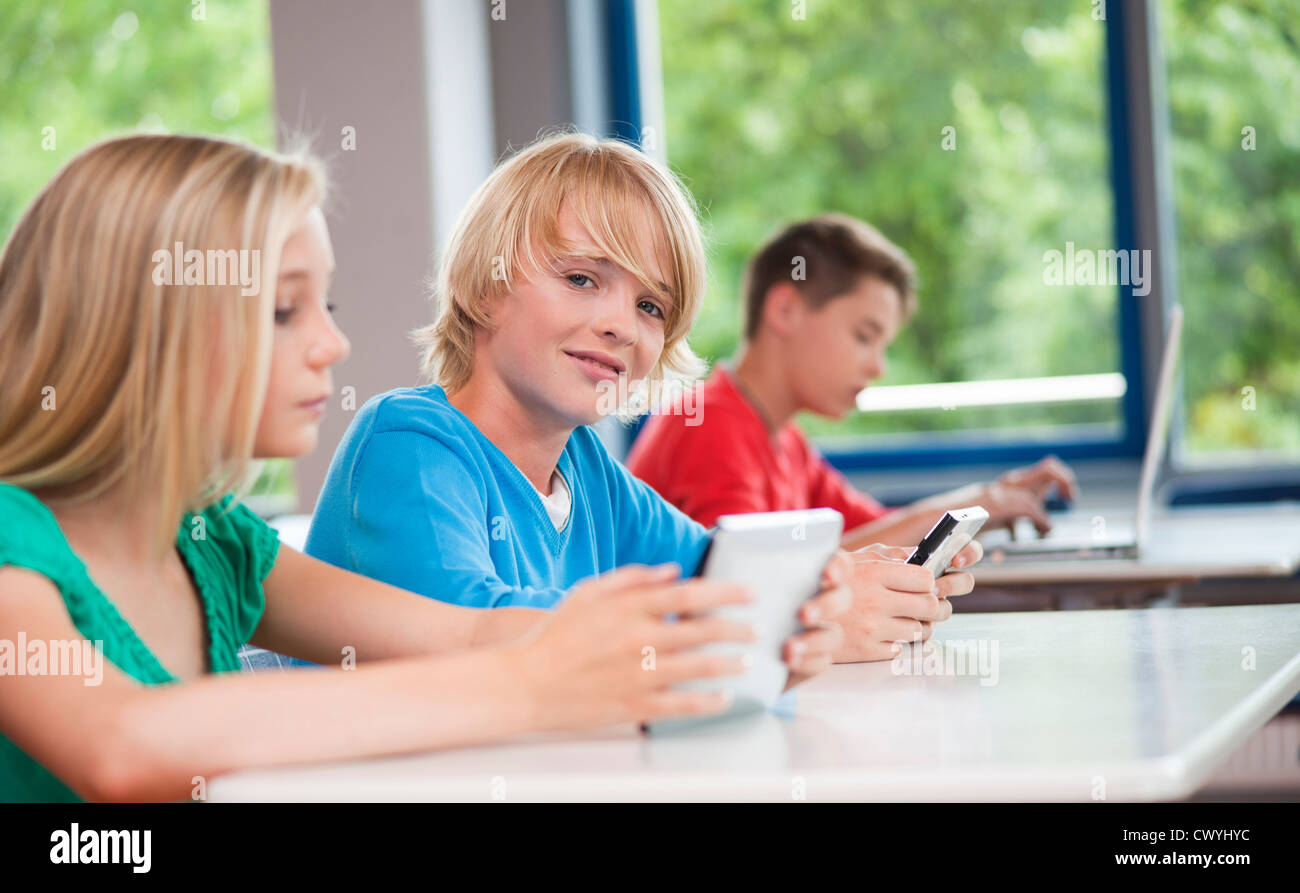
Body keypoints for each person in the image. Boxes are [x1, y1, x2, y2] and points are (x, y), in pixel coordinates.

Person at [0, 134, 780, 803]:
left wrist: (746, 634)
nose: (332, 347)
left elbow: (469, 633)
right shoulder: (13, 542)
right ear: (140, 327)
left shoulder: (214, 538)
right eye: (283, 311)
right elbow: (117, 747)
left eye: (326, 310)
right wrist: (529, 685)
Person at [306, 134, 980, 666]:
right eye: (581, 277)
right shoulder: (406, 443)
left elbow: (723, 567)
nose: (622, 325)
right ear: (485, 289)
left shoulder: (590, 474)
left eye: (651, 305)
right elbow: (479, 634)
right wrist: (803, 612)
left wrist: (854, 582)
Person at [626, 213, 1079, 550]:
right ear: (785, 310)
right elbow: (755, 582)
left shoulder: (784, 440)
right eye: (865, 337)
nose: (878, 367)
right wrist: (976, 501)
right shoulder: (710, 426)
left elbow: (878, 531)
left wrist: (983, 506)